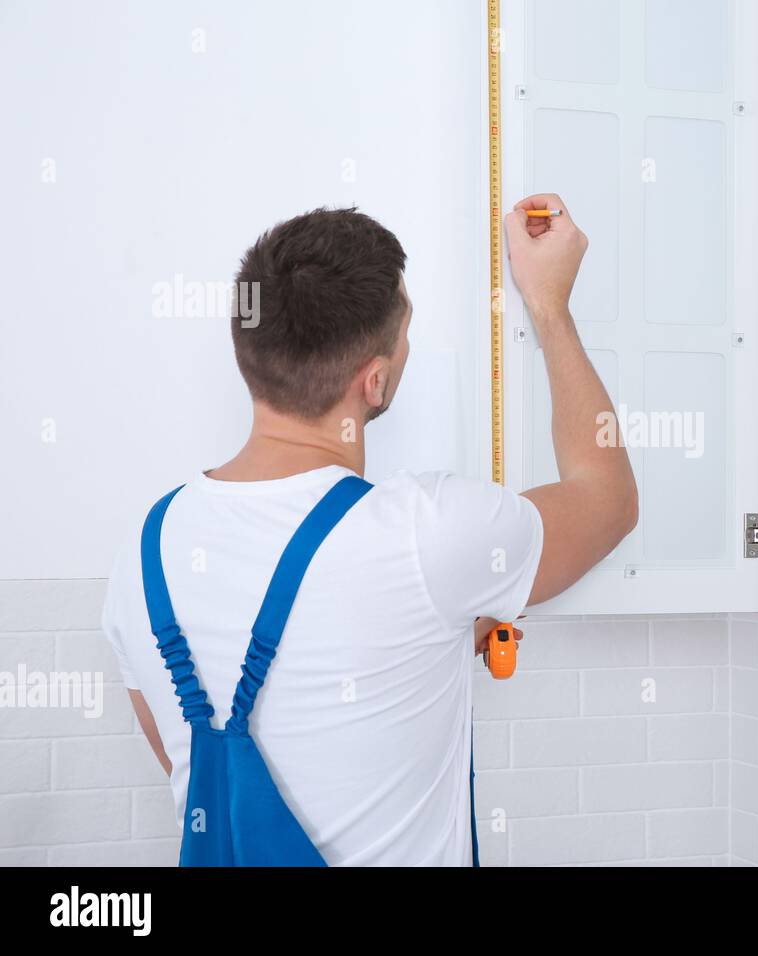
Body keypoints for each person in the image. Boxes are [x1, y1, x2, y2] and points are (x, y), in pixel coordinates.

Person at [100, 194, 636, 865]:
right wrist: (551, 307)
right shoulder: (428, 532)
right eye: (404, 336)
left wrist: (415, 643)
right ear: (374, 382)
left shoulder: (145, 548)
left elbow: (202, 773)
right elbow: (606, 500)